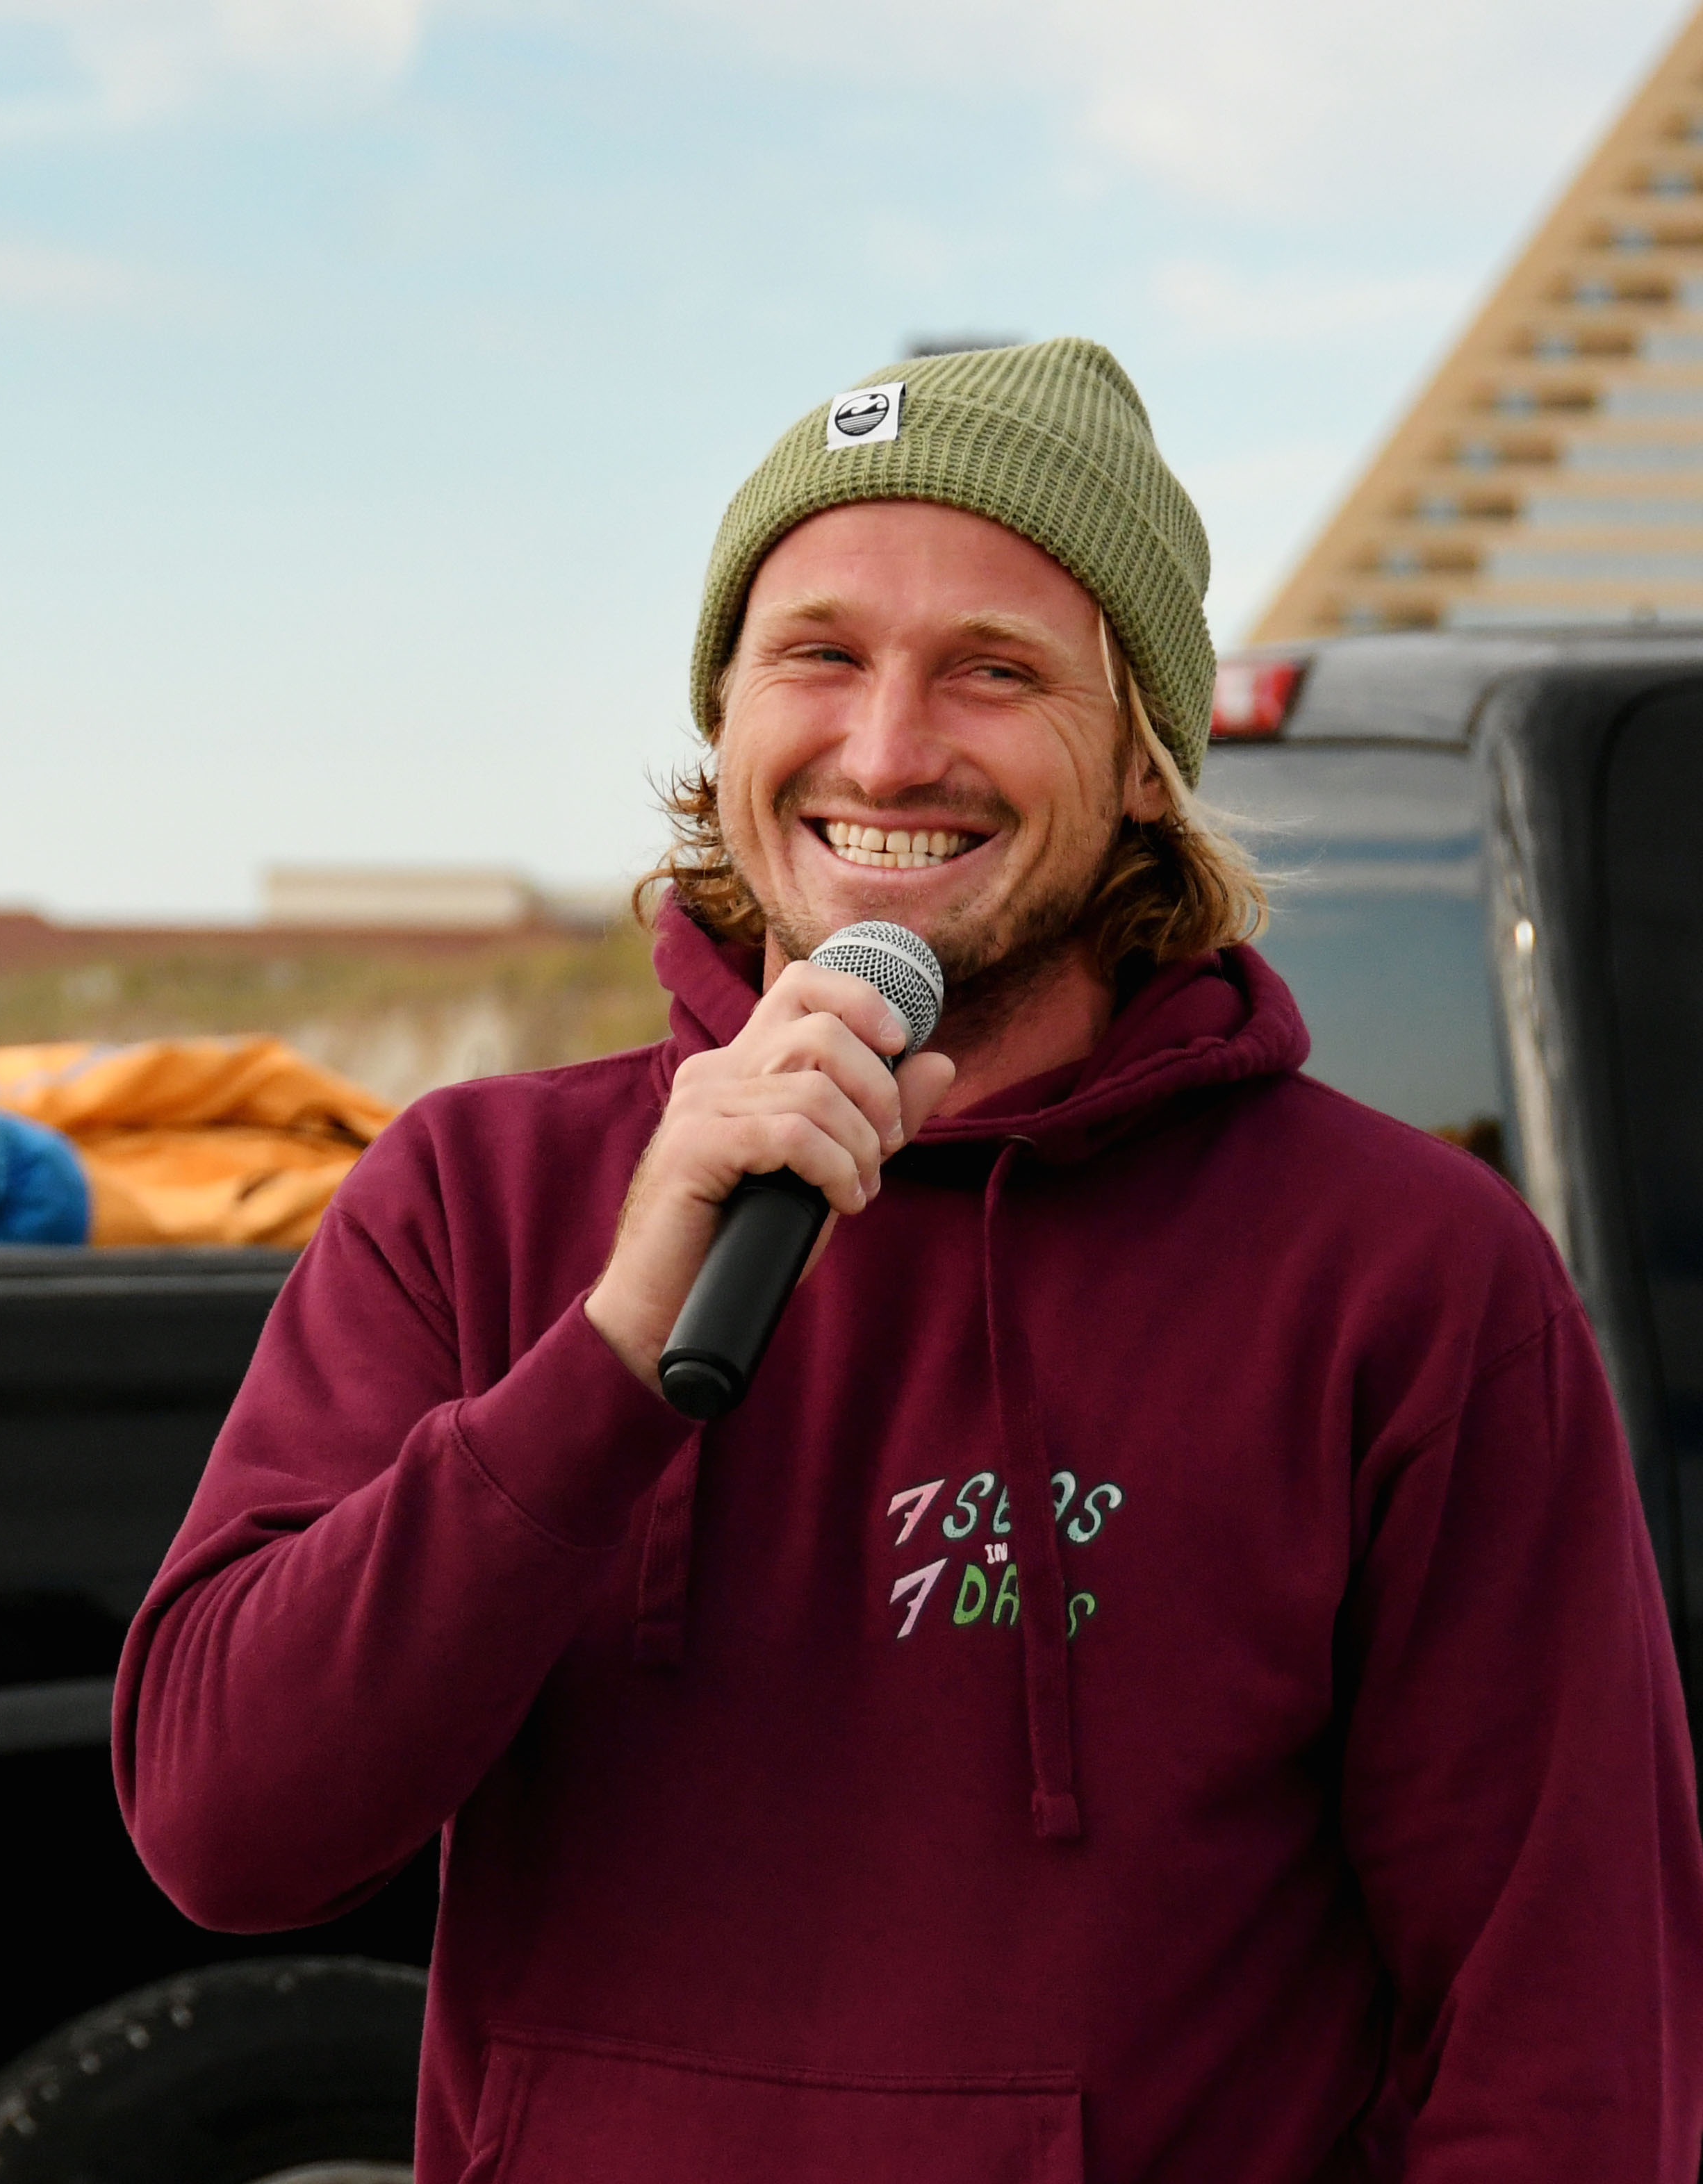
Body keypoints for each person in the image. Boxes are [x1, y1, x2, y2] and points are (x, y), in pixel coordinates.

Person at [115, 338, 1703, 2179]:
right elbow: (227, 1834)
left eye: (995, 671)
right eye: (819, 655)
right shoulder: (475, 1194)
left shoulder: (1406, 1272)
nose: (884, 751)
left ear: (1142, 766)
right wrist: (610, 1358)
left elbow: (1562, 2028)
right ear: (725, 718)